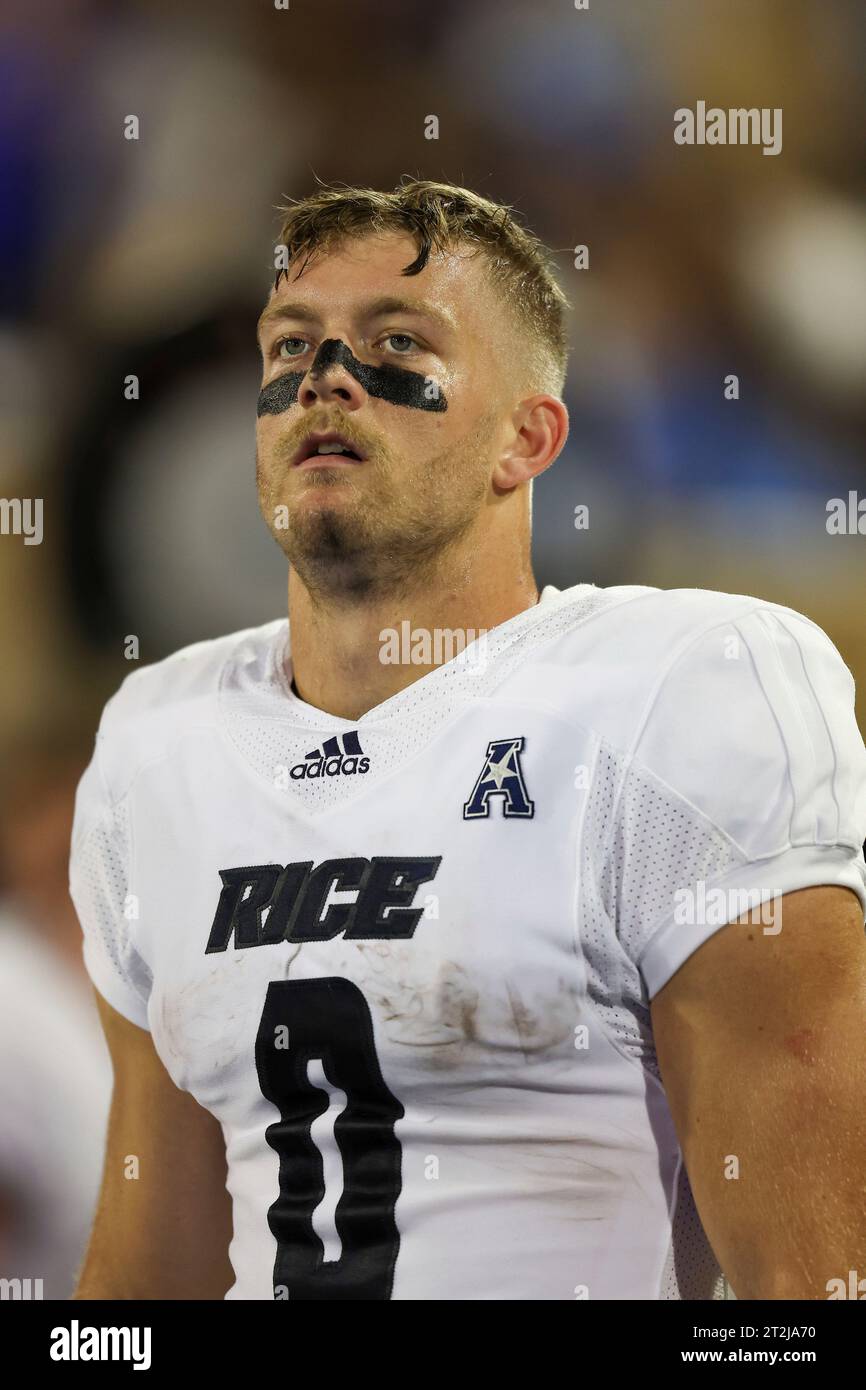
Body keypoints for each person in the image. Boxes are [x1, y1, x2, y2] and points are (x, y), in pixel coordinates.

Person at [71, 179, 866, 1300]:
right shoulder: (159, 738)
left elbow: (812, 1287)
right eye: (290, 344)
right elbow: (143, 1285)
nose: (324, 379)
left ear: (525, 438)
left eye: (396, 341)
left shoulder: (675, 691)